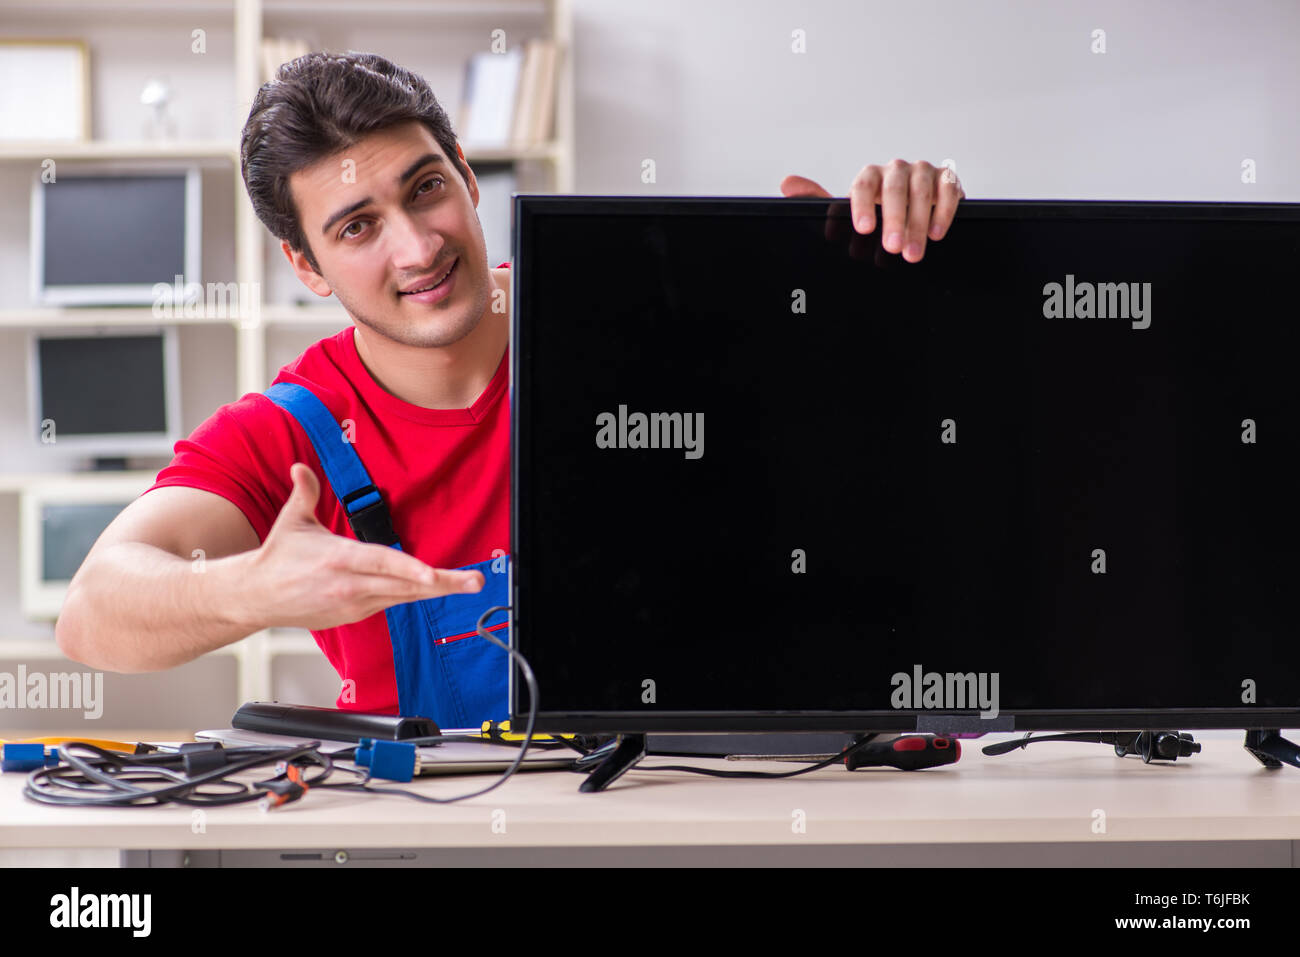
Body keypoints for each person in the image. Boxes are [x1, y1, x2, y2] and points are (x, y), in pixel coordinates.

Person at [55, 51, 965, 726]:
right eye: (359, 225)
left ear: (462, 165)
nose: (416, 248)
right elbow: (94, 611)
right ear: (307, 265)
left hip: (684, 808)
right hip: (432, 834)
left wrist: (886, 261)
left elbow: (878, 462)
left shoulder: (650, 317)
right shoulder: (291, 430)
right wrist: (250, 588)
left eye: (425, 188)